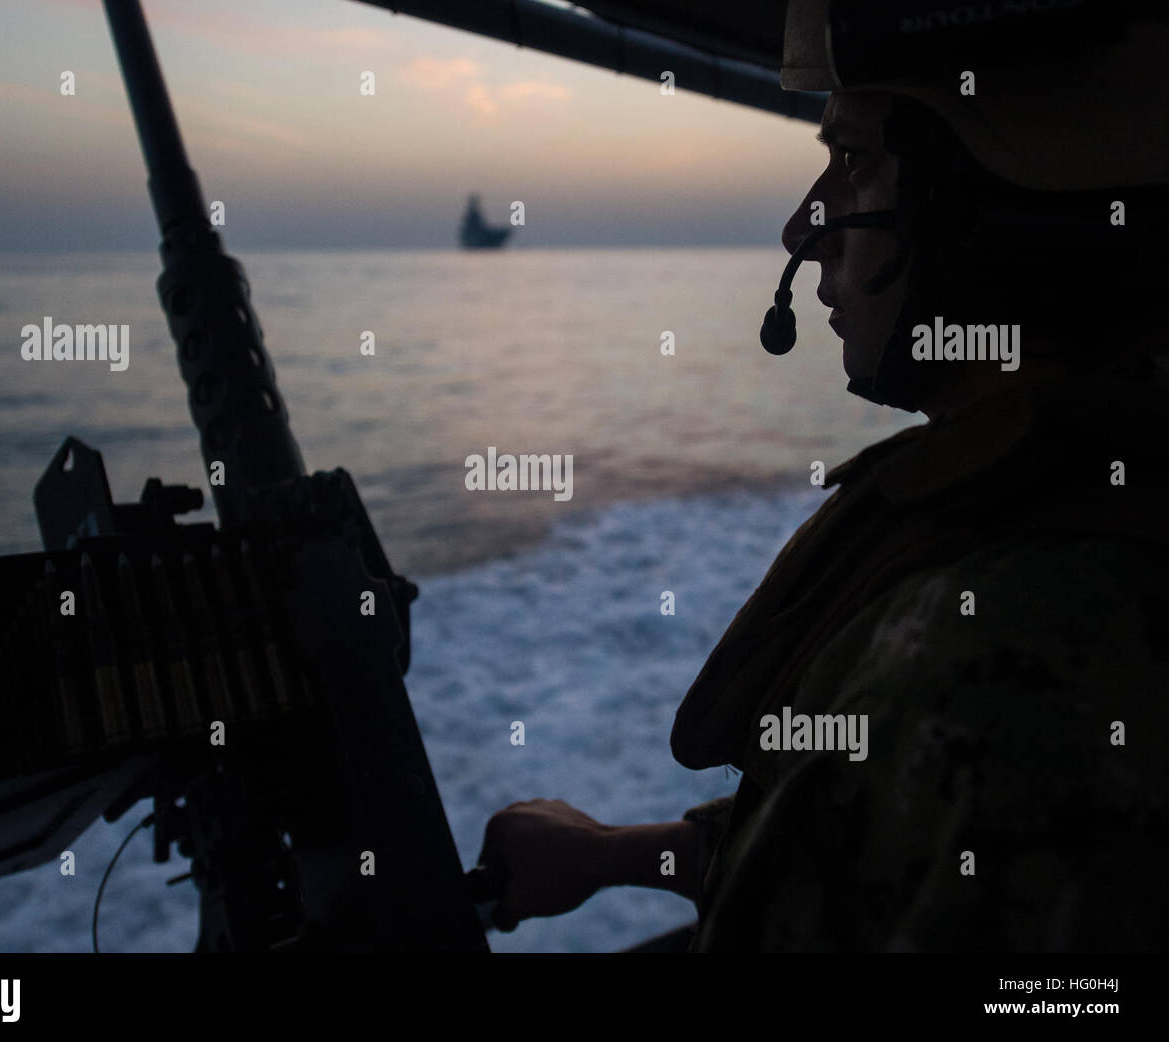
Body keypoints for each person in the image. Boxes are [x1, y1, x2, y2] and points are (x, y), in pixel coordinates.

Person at [477, 0, 1169, 951]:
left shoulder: (994, 654)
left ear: (985, 205)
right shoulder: (1085, 485)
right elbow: (871, 839)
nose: (807, 224)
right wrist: (618, 855)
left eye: (851, 164)